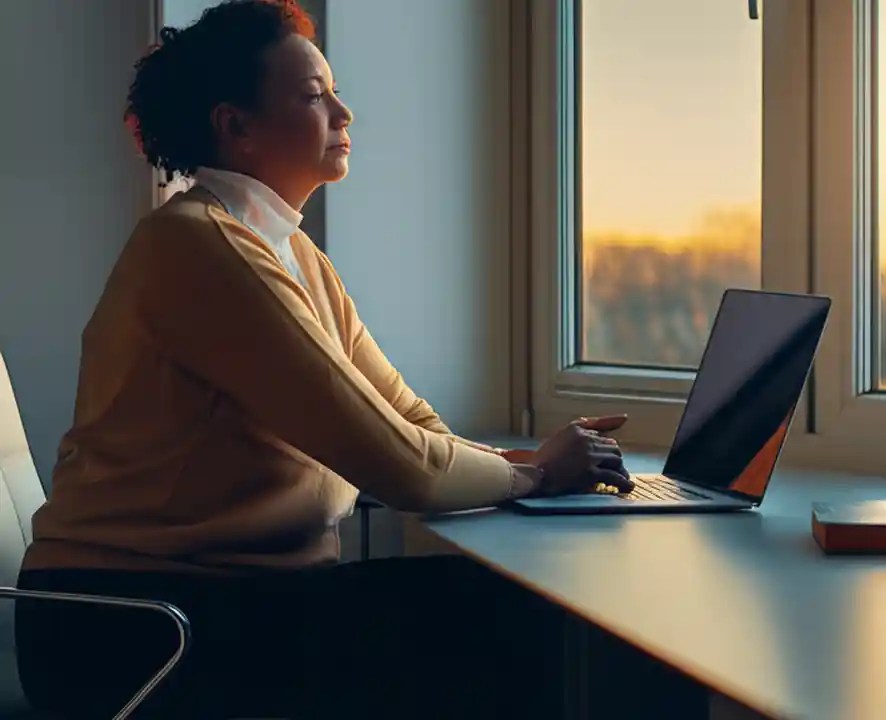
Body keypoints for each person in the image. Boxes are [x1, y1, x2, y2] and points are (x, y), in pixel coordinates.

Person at [15, 1, 632, 717]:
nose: (344, 112)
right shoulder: (199, 248)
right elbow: (398, 462)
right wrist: (533, 475)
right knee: (523, 623)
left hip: (229, 606)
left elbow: (407, 419)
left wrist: (524, 461)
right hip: (135, 629)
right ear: (235, 125)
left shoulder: (293, 255)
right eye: (313, 96)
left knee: (512, 614)